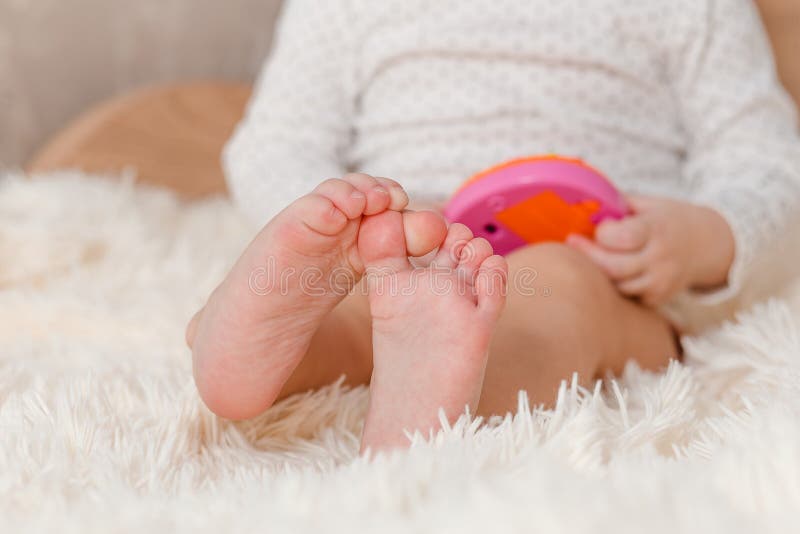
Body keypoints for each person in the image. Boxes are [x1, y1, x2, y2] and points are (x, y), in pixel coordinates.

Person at [185, 0, 800, 453]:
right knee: (358, 309)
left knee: (547, 296)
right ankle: (274, 351)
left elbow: (766, 163)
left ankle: (440, 382)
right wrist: (344, 224)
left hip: (600, 264)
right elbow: (276, 144)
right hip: (403, 252)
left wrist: (700, 238)